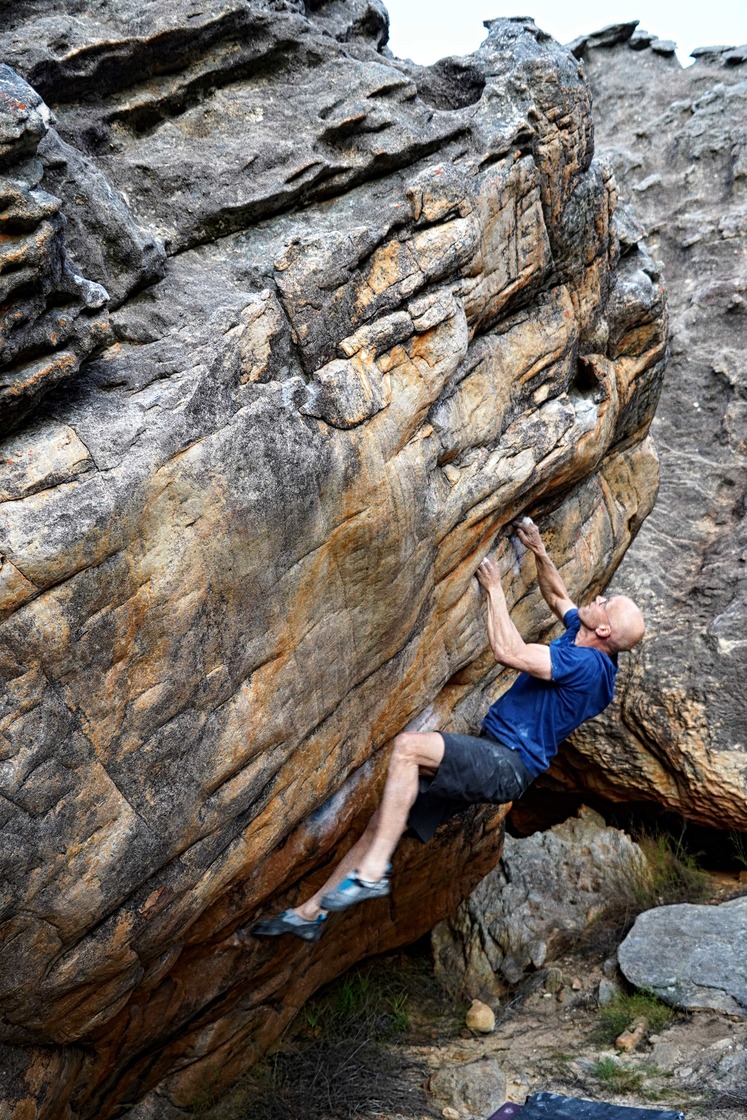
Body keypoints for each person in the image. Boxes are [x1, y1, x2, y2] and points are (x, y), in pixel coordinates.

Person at [252, 518, 645, 942]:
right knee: (385, 819)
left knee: (408, 749)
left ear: (603, 630)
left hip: (508, 763)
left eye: (606, 603)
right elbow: (558, 596)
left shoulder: (587, 666)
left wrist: (495, 590)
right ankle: (311, 914)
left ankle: (371, 874)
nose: (600, 597)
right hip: (497, 754)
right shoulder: (584, 639)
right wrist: (539, 552)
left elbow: (508, 652)